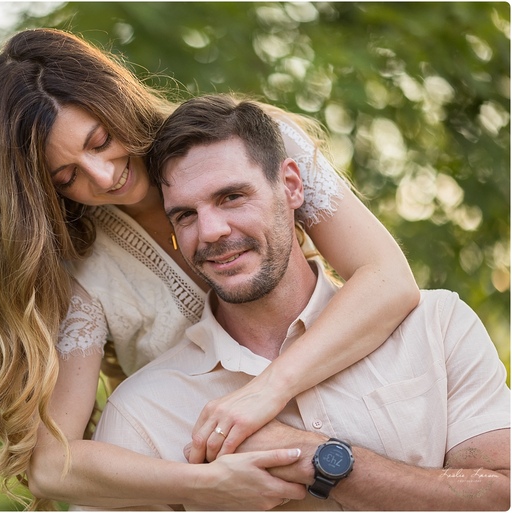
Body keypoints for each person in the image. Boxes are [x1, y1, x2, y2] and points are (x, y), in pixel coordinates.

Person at [0, 28, 420, 509]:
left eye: (100, 141)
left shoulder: (245, 141)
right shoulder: (80, 268)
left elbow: (390, 280)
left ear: (116, 100)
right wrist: (204, 484)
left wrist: (268, 391)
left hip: (361, 429)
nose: (104, 176)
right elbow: (50, 464)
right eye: (67, 176)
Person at [85, 94, 511, 510]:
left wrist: (316, 460)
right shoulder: (143, 413)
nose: (211, 230)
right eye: (186, 215)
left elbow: (501, 495)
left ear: (291, 185)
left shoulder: (436, 326)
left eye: (231, 197)